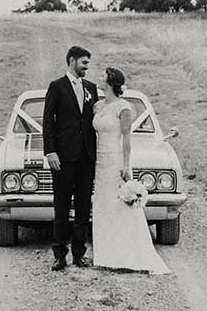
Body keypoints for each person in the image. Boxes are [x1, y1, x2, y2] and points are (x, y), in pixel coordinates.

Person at [91, 67, 170, 273]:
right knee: (102, 206)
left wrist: (126, 165)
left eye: (103, 76)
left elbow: (126, 138)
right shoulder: (98, 106)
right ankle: (105, 254)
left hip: (115, 161)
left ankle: (125, 253)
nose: (99, 79)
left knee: (119, 206)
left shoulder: (123, 108)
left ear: (111, 82)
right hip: (99, 162)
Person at [42, 45, 98, 271]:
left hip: (86, 157)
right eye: (84, 63)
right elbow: (48, 121)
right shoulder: (56, 87)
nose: (87, 68)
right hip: (63, 157)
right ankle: (59, 255)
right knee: (62, 207)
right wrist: (50, 150)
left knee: (84, 207)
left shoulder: (91, 88)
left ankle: (79, 254)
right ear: (72, 61)